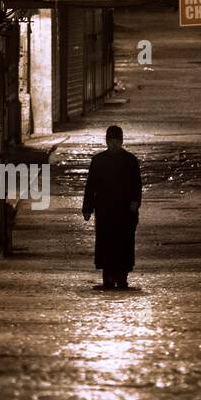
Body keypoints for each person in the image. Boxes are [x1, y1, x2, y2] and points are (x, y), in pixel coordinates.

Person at [82, 124, 142, 290]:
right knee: (107, 242)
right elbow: (91, 186)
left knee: (123, 242)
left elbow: (137, 184)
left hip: (124, 209)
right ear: (107, 142)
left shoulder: (130, 160)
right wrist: (87, 208)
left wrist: (135, 202)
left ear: (121, 142)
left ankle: (122, 275)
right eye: (112, 141)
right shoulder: (99, 161)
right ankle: (108, 275)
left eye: (117, 141)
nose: (114, 144)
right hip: (106, 209)